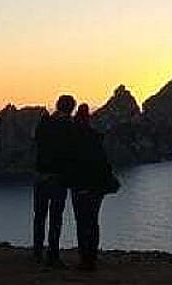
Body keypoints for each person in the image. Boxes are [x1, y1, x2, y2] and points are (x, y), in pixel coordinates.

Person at [70, 103, 119, 271]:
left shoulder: (73, 139)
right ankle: (92, 257)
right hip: (97, 187)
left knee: (81, 222)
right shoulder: (96, 137)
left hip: (80, 185)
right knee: (93, 221)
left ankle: (85, 258)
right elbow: (104, 163)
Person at [33, 94, 78, 267]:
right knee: (55, 217)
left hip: (40, 175)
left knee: (39, 216)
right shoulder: (69, 126)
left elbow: (37, 141)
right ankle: (52, 255)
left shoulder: (44, 122)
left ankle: (37, 252)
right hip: (58, 177)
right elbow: (72, 151)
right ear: (71, 108)